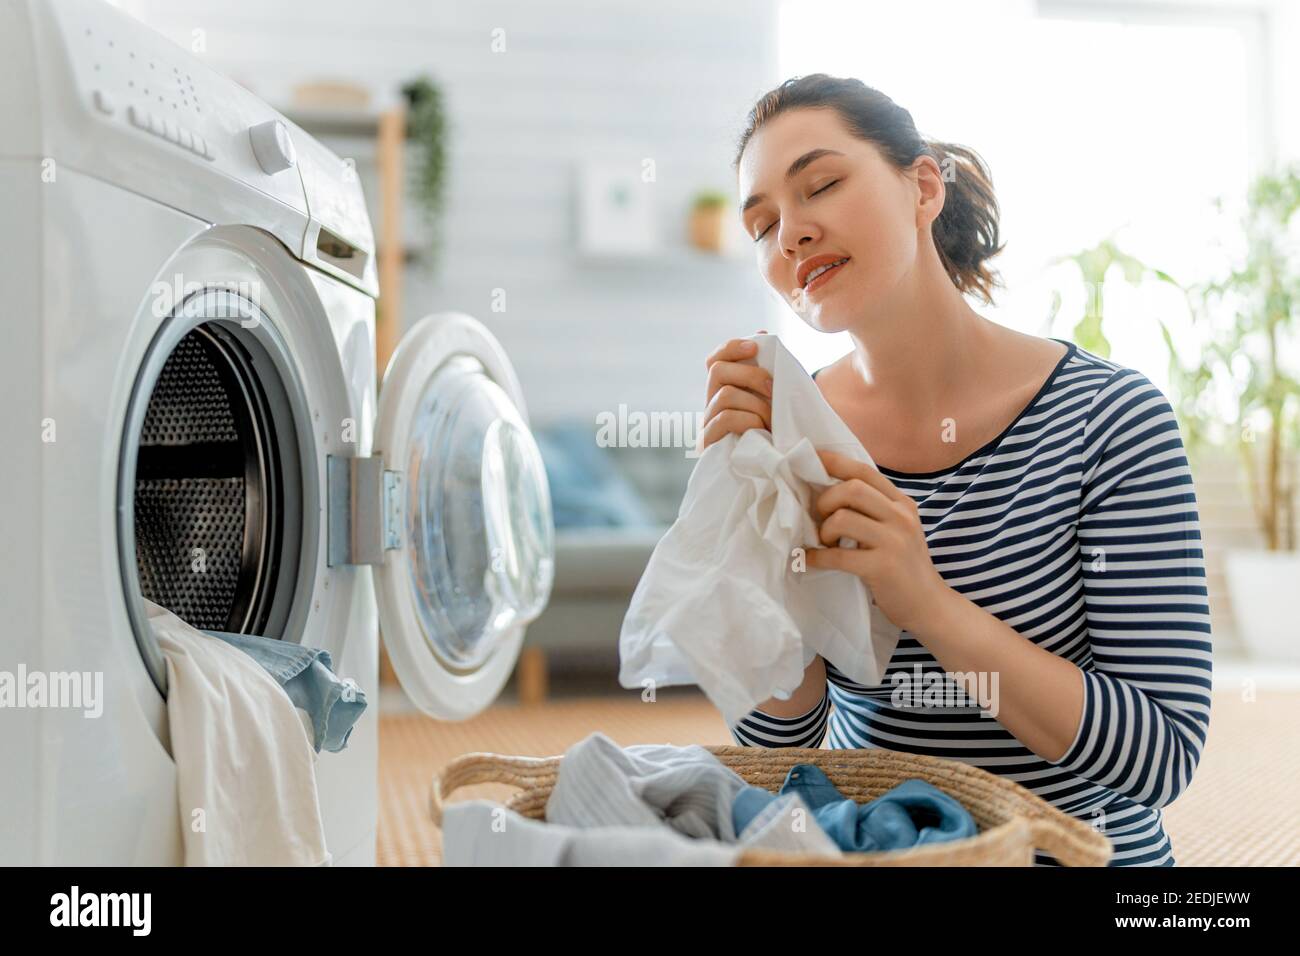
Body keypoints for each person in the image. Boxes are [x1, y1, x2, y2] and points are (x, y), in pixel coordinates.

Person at [704, 73, 1213, 866]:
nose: (791, 235)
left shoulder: (1110, 420)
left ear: (924, 186)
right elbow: (783, 748)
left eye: (823, 185)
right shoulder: (794, 439)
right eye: (763, 225)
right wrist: (748, 529)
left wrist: (928, 603)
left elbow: (1161, 755)